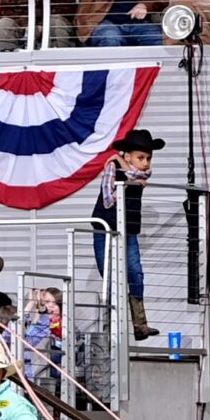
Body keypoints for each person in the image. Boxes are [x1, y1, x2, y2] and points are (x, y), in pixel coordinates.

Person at [92, 128, 163, 341]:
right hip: (106, 228)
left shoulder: (131, 168)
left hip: (128, 229)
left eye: (148, 158)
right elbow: (108, 200)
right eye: (140, 157)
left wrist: (125, 169)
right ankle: (113, 323)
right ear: (128, 155)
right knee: (110, 274)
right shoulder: (112, 168)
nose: (145, 163)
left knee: (136, 273)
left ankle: (139, 323)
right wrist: (125, 173)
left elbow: (142, 175)